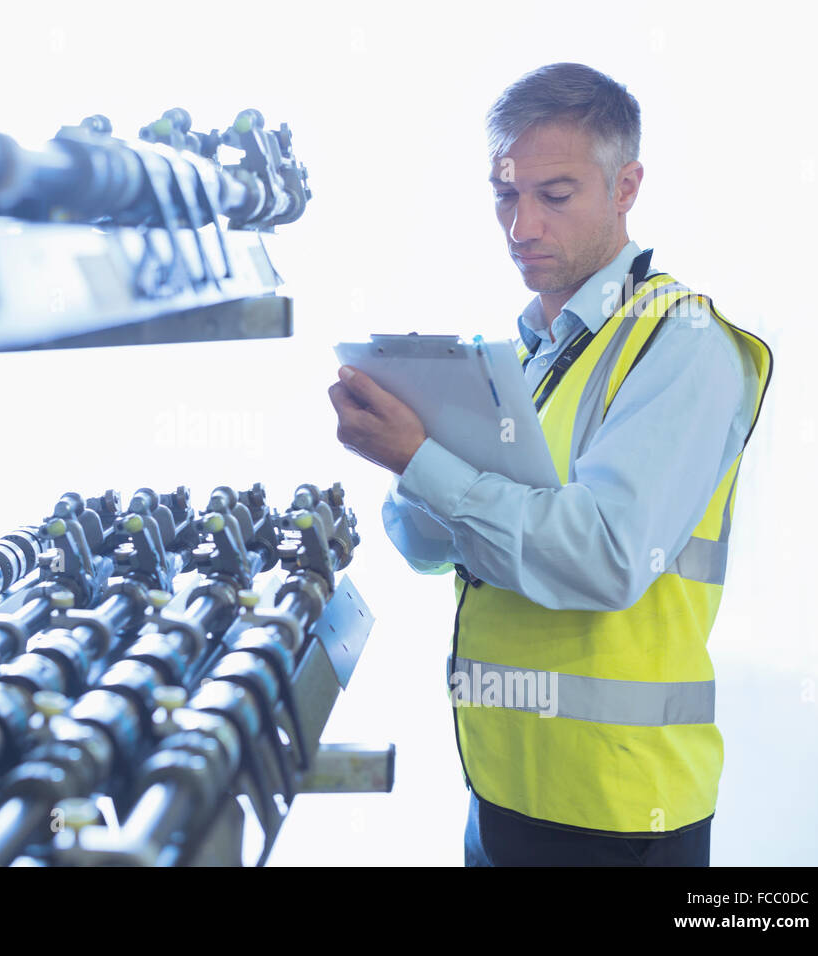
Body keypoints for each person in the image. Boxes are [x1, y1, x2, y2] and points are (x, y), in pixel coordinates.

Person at [327, 62, 773, 866]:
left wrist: (422, 457)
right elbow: (425, 549)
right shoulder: (527, 357)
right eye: (505, 195)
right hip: (503, 790)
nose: (520, 226)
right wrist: (406, 452)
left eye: (555, 196)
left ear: (626, 185)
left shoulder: (686, 346)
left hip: (620, 811)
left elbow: (605, 557)